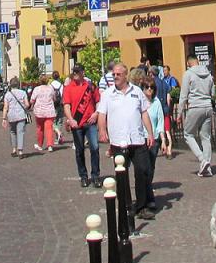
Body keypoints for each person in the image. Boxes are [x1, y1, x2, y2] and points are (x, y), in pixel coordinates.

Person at [97, 63, 157, 220]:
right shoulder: (108, 94)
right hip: (119, 141)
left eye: (118, 74)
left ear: (125, 76)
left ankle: (142, 206)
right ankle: (127, 206)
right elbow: (102, 114)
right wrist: (102, 131)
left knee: (143, 171)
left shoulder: (137, 92)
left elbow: (144, 113)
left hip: (137, 139)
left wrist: (150, 134)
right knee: (121, 176)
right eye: (114, 74)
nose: (115, 77)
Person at [63, 65, 101, 186]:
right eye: (74, 72)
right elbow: (66, 106)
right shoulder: (68, 88)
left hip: (90, 122)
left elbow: (98, 101)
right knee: (79, 151)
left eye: (77, 72)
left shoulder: (90, 86)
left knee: (95, 148)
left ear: (83, 73)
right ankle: (83, 176)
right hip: (77, 124)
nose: (75, 74)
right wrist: (70, 119)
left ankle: (95, 176)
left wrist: (96, 113)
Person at [179, 55, 215, 176]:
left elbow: (183, 95)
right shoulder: (208, 74)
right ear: (198, 61)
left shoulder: (188, 74)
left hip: (195, 106)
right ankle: (207, 168)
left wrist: (179, 112)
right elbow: (213, 93)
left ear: (188, 63)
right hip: (208, 106)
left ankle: (202, 159)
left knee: (188, 134)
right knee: (206, 137)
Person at [141, 77, 166, 210]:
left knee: (150, 168)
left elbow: (160, 122)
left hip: (154, 139)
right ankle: (147, 197)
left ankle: (146, 192)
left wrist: (163, 141)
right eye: (147, 87)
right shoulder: (140, 102)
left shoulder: (156, 103)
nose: (149, 90)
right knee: (143, 168)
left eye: (152, 87)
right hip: (142, 139)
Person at [1, 77, 31, 158]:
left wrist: (4, 118)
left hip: (11, 115)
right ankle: (20, 151)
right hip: (21, 115)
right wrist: (23, 107)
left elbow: (5, 107)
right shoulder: (23, 93)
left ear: (10, 85)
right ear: (18, 84)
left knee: (13, 132)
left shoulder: (8, 94)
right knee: (20, 132)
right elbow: (27, 104)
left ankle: (14, 150)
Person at [30, 75, 57, 151]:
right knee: (49, 129)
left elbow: (32, 100)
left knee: (40, 128)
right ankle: (50, 145)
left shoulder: (37, 89)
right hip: (49, 111)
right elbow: (54, 99)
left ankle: (40, 145)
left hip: (39, 112)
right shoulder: (51, 88)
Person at [50, 70, 65, 143]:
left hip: (53, 105)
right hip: (60, 104)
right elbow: (63, 95)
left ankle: (58, 134)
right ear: (58, 77)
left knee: (53, 121)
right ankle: (58, 137)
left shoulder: (50, 85)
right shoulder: (61, 85)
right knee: (59, 121)